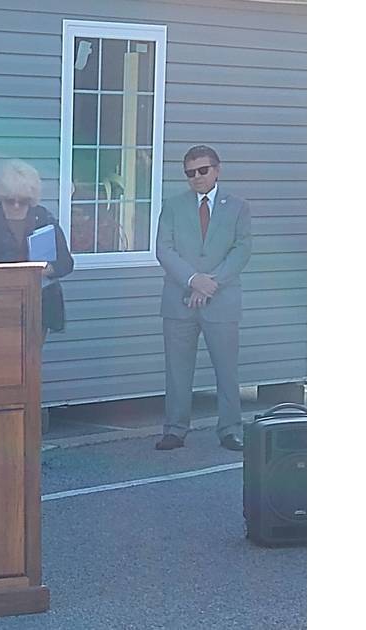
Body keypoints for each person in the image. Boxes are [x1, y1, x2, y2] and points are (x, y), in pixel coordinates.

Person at [154, 145, 252, 452]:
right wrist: (194, 280)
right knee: (177, 368)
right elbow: (164, 249)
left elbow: (242, 250)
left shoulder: (237, 207)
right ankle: (175, 428)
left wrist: (212, 283)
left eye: (202, 170)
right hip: (179, 298)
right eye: (190, 173)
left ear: (217, 169)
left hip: (221, 300)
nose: (196, 177)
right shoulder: (172, 205)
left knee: (226, 369)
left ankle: (230, 429)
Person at [0, 160, 74, 335]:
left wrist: (47, 269)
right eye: (10, 200)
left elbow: (66, 263)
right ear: (1, 196)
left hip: (38, 306)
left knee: (32, 360)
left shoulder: (43, 218)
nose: (17, 206)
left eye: (24, 201)